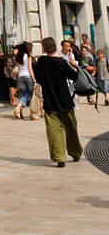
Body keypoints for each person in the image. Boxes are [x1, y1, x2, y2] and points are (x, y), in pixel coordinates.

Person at [33, 37, 84, 168]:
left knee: (54, 130)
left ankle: (59, 157)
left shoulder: (41, 62)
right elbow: (74, 76)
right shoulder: (61, 62)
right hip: (65, 100)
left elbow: (38, 78)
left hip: (50, 100)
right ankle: (76, 153)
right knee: (71, 128)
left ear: (44, 48)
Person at [14, 41, 37, 120]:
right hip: (27, 76)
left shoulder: (18, 56)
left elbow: (19, 68)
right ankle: (32, 114)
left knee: (24, 94)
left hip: (20, 76)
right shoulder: (28, 56)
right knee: (32, 94)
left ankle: (18, 108)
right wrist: (34, 80)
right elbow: (30, 69)